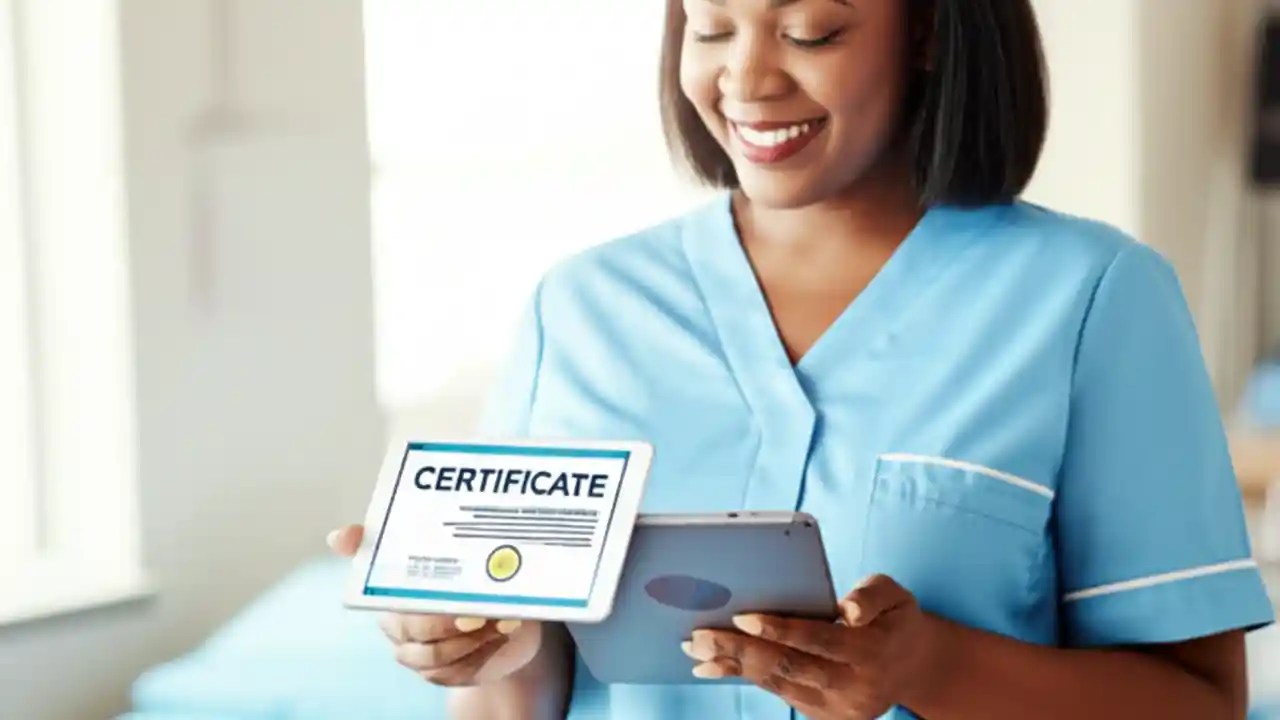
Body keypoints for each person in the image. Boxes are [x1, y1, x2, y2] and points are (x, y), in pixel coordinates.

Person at [329, 0, 1276, 717]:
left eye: (811, 32)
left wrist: (926, 667)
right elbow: (526, 681)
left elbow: (1197, 700)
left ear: (929, 33)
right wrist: (479, 646)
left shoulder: (1093, 296)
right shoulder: (580, 307)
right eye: (710, 28)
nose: (746, 82)